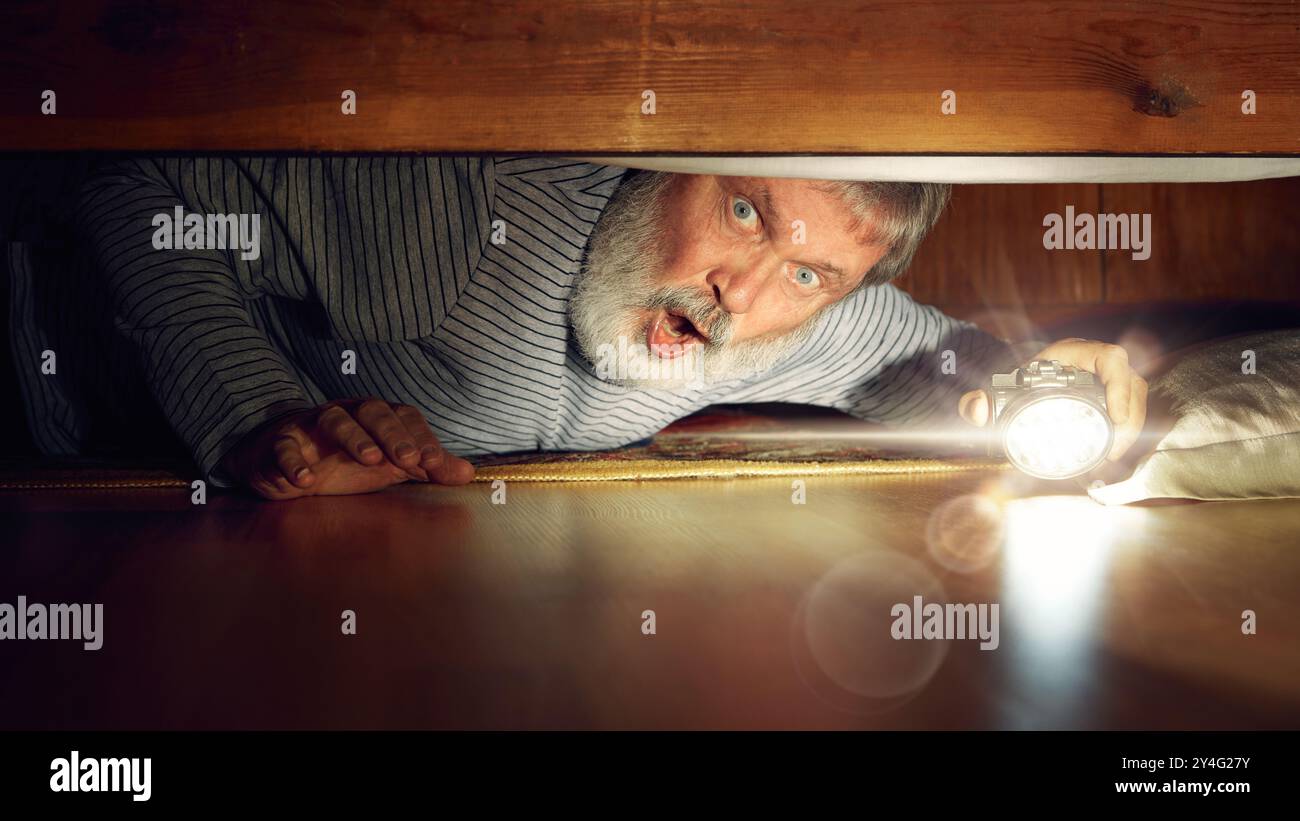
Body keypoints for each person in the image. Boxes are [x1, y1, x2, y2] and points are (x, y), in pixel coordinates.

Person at [8, 157, 1146, 499]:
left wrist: (1039, 374)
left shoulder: (793, 318)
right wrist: (268, 415)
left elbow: (932, 357)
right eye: (742, 210)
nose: (735, 296)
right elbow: (137, 190)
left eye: (804, 270)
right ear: (669, 164)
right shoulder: (468, 225)